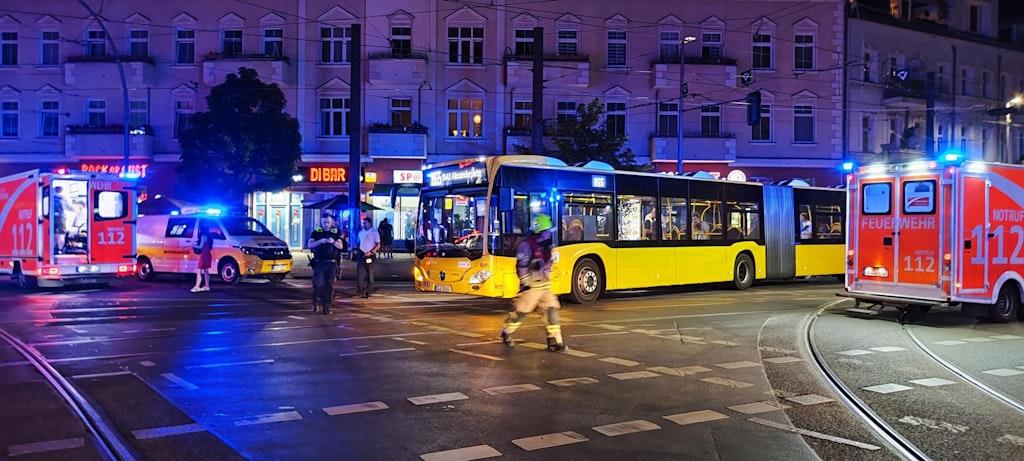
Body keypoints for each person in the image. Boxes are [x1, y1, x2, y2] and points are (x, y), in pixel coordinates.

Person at [499, 213, 566, 352]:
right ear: (540, 232)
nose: (549, 234)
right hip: (532, 287)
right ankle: (506, 332)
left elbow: (549, 263)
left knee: (551, 311)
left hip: (545, 286)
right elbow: (521, 266)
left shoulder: (547, 245)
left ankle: (555, 341)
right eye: (547, 231)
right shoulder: (526, 246)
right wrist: (525, 285)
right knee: (521, 312)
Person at [308, 213, 345, 313]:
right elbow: (310, 244)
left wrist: (332, 242)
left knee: (330, 286)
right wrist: (321, 241)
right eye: (324, 222)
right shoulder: (316, 232)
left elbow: (340, 246)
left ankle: (327, 307)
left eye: (328, 222)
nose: (326, 224)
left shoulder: (335, 232)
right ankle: (316, 303)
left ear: (332, 222)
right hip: (319, 262)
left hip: (331, 263)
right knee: (318, 285)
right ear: (321, 222)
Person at [354, 216, 381, 298]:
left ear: (369, 223)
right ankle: (360, 291)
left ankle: (369, 291)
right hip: (361, 255)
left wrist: (371, 251)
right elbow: (358, 242)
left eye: (365, 223)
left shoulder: (374, 232)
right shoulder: (361, 232)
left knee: (370, 275)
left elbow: (378, 244)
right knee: (360, 275)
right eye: (363, 223)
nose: (364, 224)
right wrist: (356, 249)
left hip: (370, 255)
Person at [190, 222, 214, 292]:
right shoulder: (209, 237)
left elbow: (201, 246)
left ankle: (197, 286)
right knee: (206, 271)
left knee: (199, 270)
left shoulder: (203, 236)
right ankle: (207, 286)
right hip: (208, 254)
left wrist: (193, 246)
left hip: (203, 255)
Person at [52, 186, 68, 253]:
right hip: (61, 218)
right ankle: (60, 249)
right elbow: (69, 207)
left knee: (54, 233)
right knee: (61, 234)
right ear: (62, 191)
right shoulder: (63, 198)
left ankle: (54, 248)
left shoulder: (52, 198)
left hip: (53, 218)